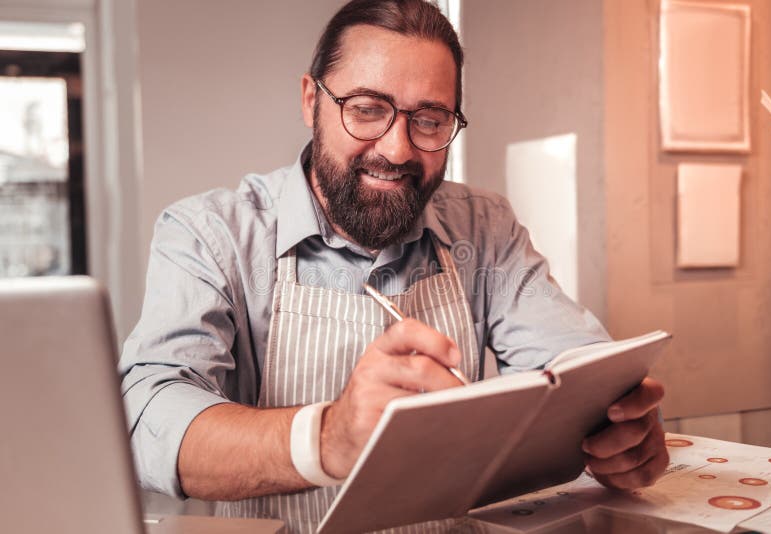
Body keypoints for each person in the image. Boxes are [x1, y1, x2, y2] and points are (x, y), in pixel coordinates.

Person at [120, 0, 668, 532]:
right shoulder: (211, 233)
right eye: (366, 109)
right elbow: (147, 418)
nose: (398, 148)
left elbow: (575, 366)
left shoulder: (484, 225)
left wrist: (615, 426)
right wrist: (329, 436)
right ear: (311, 99)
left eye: (430, 120)